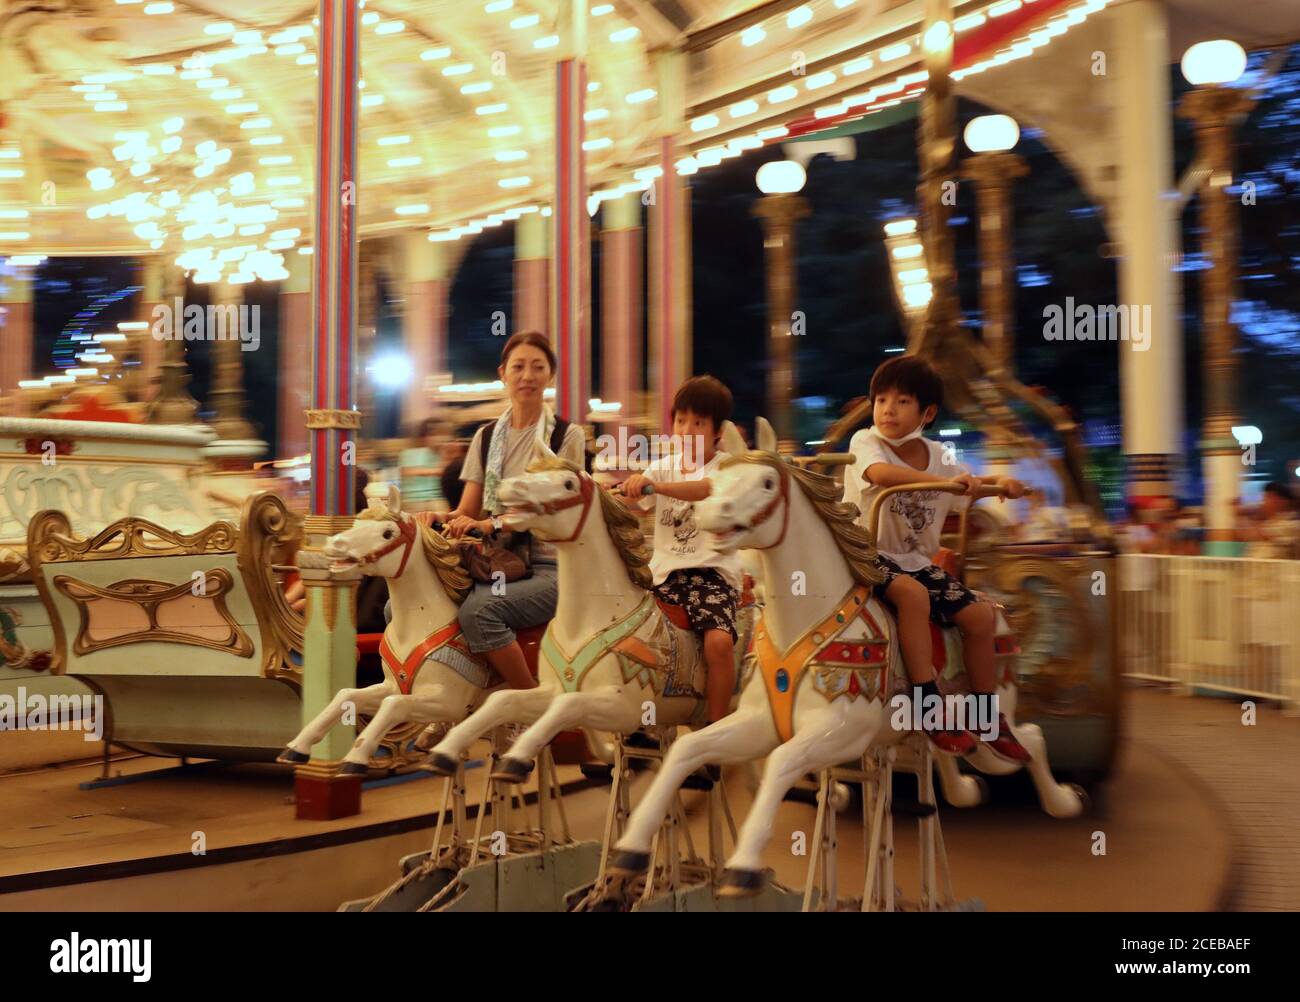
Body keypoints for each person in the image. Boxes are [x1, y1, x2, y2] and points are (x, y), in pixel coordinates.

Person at [842, 355, 1030, 762]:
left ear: (927, 412)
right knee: (912, 597)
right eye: (881, 399)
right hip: (865, 554)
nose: (888, 409)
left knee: (980, 616)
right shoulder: (866, 442)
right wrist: (945, 481)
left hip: (915, 561)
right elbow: (879, 475)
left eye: (902, 401)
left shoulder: (939, 455)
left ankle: (985, 714)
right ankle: (929, 707)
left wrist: (1001, 485)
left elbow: (966, 487)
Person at [417, 331, 586, 690]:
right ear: (503, 374)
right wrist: (437, 518)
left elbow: (559, 509)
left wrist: (492, 523)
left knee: (479, 611)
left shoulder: (566, 437)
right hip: (494, 560)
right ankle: (456, 699)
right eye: (519, 367)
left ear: (550, 376)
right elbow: (467, 509)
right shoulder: (487, 436)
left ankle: (528, 701)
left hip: (550, 564)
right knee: (404, 607)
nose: (528, 375)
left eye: (538, 367)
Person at [621, 375, 741, 723]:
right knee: (631, 638)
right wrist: (624, 492)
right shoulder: (661, 466)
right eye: (681, 420)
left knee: (718, 643)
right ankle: (640, 722)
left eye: (699, 423)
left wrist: (652, 487)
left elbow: (704, 489)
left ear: (718, 431)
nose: (687, 429)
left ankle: (714, 729)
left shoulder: (727, 467)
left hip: (711, 575)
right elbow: (634, 504)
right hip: (663, 576)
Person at [398, 417, 447, 513]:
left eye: (441, 434)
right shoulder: (409, 453)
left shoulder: (443, 454)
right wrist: (436, 471)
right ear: (424, 436)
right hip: (414, 500)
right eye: (434, 434)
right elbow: (406, 471)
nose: (439, 438)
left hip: (437, 499)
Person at [1245, 482, 1300, 559]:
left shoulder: (1293, 524)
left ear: (1282, 501)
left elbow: (1265, 535)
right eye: (1264, 498)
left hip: (1277, 569)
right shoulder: (1268, 523)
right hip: (1254, 567)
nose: (1263, 502)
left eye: (1268, 497)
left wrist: (1254, 518)